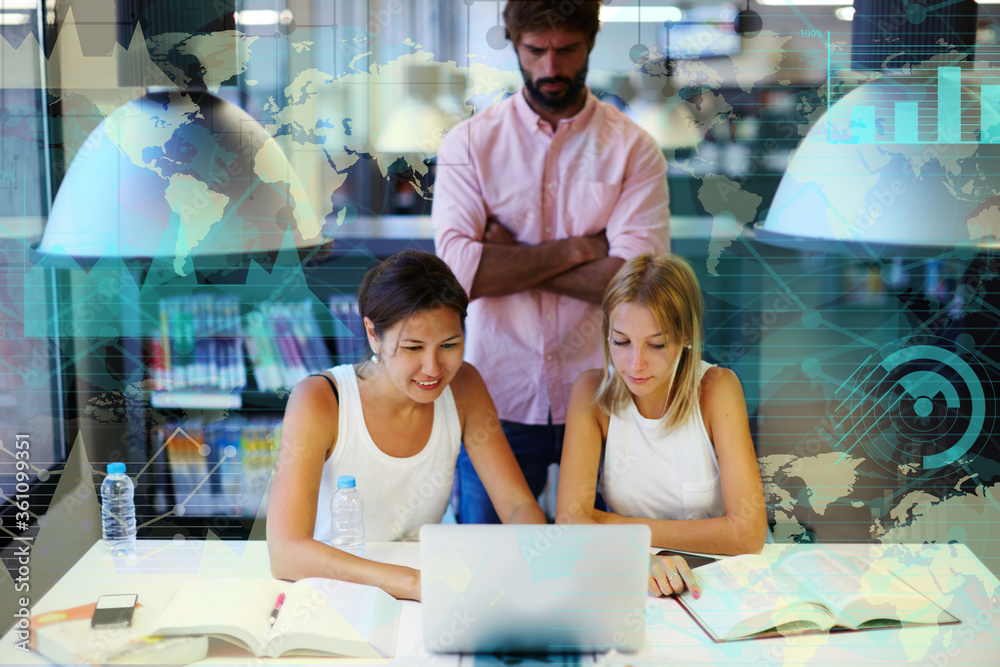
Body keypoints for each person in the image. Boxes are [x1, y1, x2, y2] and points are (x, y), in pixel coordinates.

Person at [433, 0, 670, 523]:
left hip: (608, 395)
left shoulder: (633, 150)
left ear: (590, 41)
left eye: (566, 50)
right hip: (497, 398)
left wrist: (505, 257)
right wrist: (581, 248)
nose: (551, 68)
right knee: (487, 570)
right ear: (514, 45)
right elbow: (456, 275)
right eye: (535, 50)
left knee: (614, 565)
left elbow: (636, 286)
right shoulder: (469, 145)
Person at [267, 250, 546, 601]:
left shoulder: (464, 388)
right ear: (373, 334)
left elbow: (518, 505)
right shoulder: (321, 400)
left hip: (428, 587)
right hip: (331, 590)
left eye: (449, 345)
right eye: (413, 347)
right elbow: (285, 553)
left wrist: (540, 566)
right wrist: (411, 583)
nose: (433, 368)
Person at [556, 254, 767, 594]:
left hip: (721, 579)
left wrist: (612, 524)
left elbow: (748, 533)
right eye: (621, 342)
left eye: (656, 344)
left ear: (685, 336)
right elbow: (570, 522)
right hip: (633, 571)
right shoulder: (591, 393)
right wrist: (639, 556)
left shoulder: (717, 389)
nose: (635, 363)